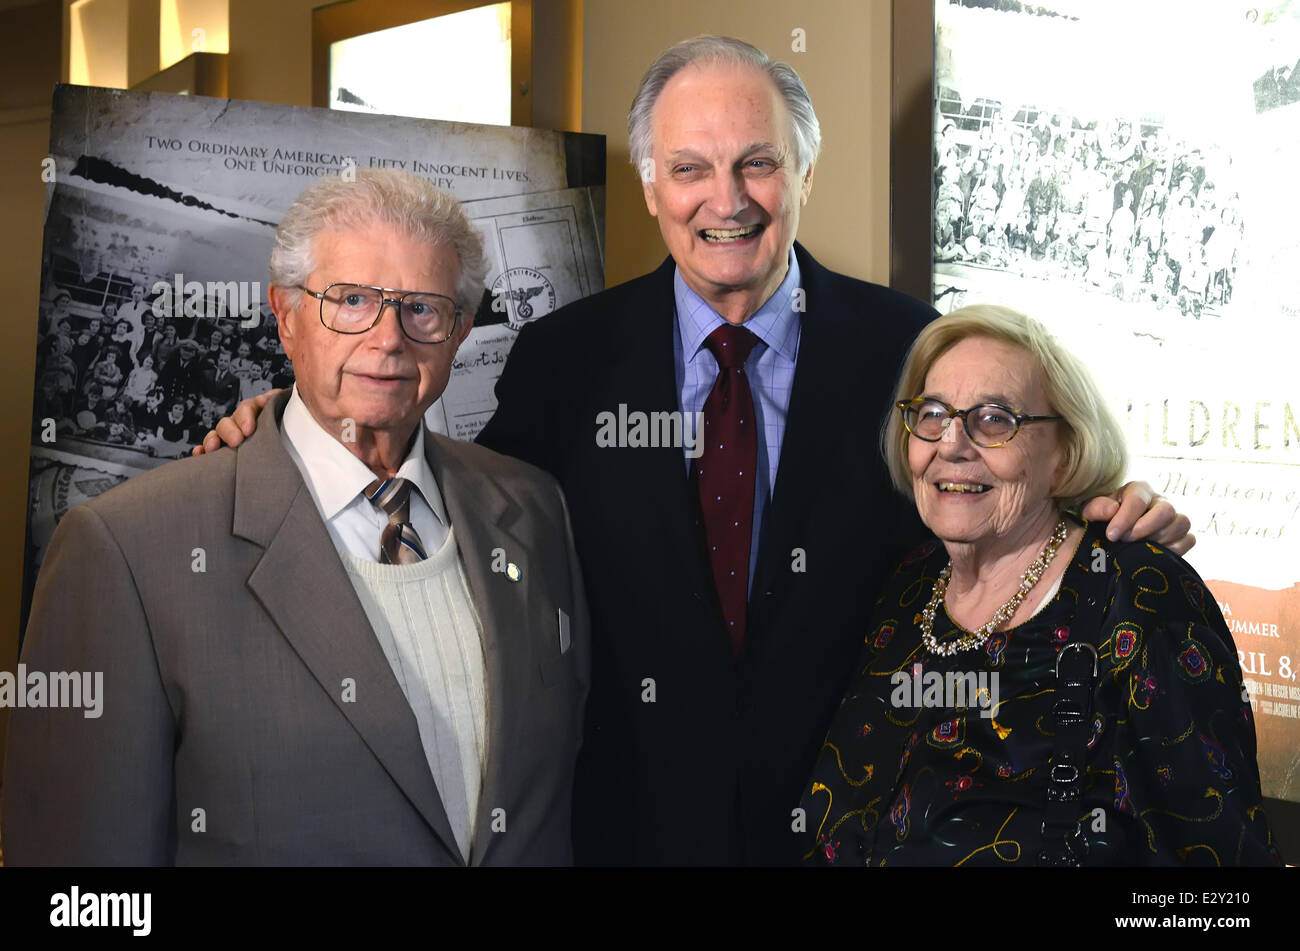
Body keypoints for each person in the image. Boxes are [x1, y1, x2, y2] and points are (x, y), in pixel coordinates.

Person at [199, 36, 1190, 866]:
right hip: (624, 838)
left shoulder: (907, 348)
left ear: (803, 170)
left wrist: (1094, 514)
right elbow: (457, 503)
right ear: (649, 183)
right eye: (690, 167)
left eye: (757, 161)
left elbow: (985, 505)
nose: (728, 199)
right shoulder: (565, 360)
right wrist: (292, 431)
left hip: (851, 835)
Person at [3, 170, 590, 866]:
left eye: (422, 309)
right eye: (350, 301)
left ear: (460, 330)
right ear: (286, 316)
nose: (388, 338)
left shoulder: (531, 505)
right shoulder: (126, 550)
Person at [800, 305, 1280, 866]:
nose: (951, 444)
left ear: (1066, 453)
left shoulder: (1138, 596)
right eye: (933, 413)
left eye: (996, 419)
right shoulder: (908, 587)